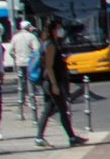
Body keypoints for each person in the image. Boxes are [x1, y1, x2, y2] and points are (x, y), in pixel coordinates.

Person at [37, 18, 88, 148]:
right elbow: (49, 66)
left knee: (48, 110)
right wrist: (54, 85)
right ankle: (71, 137)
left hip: (48, 82)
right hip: (52, 82)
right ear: (53, 30)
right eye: (59, 28)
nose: (61, 31)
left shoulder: (48, 43)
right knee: (62, 110)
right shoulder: (50, 45)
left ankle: (39, 138)